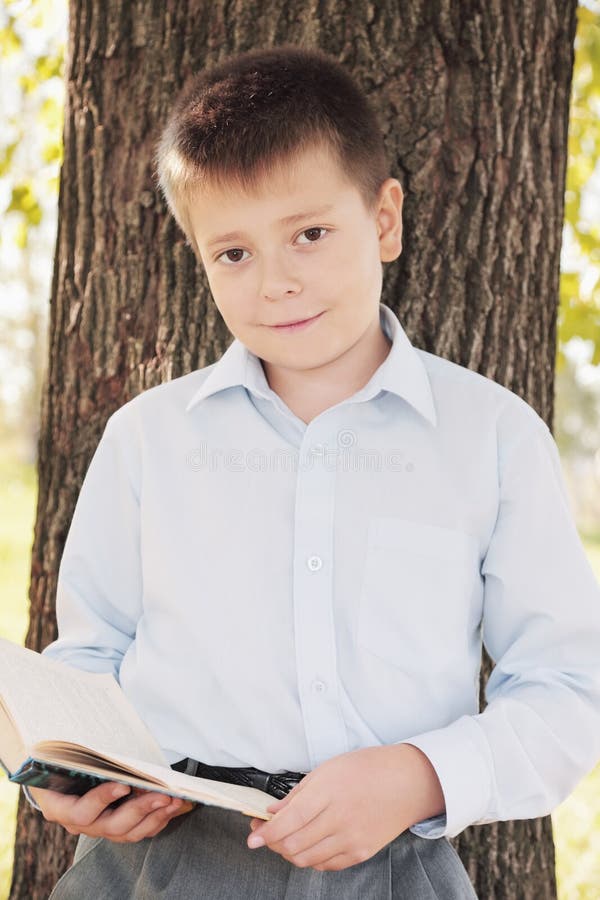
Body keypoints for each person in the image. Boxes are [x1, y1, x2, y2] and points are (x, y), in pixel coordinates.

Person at [25, 43, 600, 900]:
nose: (277, 283)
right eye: (234, 254)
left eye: (311, 234)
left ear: (384, 220)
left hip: (395, 861)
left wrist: (418, 775)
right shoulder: (148, 439)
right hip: (158, 859)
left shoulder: (490, 437)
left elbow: (568, 686)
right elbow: (91, 652)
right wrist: (65, 782)